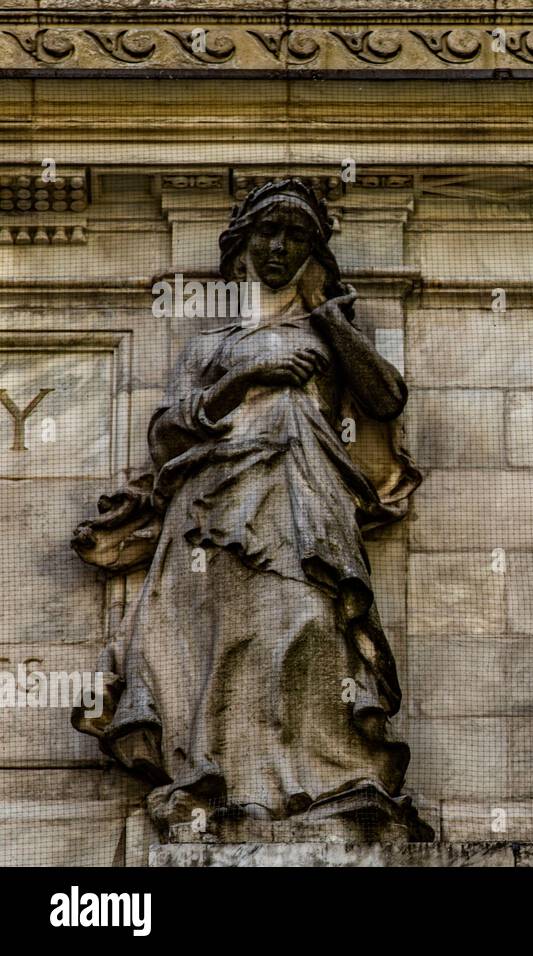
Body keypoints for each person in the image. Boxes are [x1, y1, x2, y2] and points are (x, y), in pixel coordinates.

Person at [73, 179, 421, 832]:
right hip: (218, 508)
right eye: (268, 232)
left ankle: (324, 777)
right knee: (232, 640)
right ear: (239, 253)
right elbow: (167, 432)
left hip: (307, 503)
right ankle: (226, 784)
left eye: (297, 236)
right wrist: (244, 381)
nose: (281, 246)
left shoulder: (327, 334)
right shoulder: (213, 346)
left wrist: (326, 317)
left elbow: (385, 396)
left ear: (314, 253)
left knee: (308, 623)